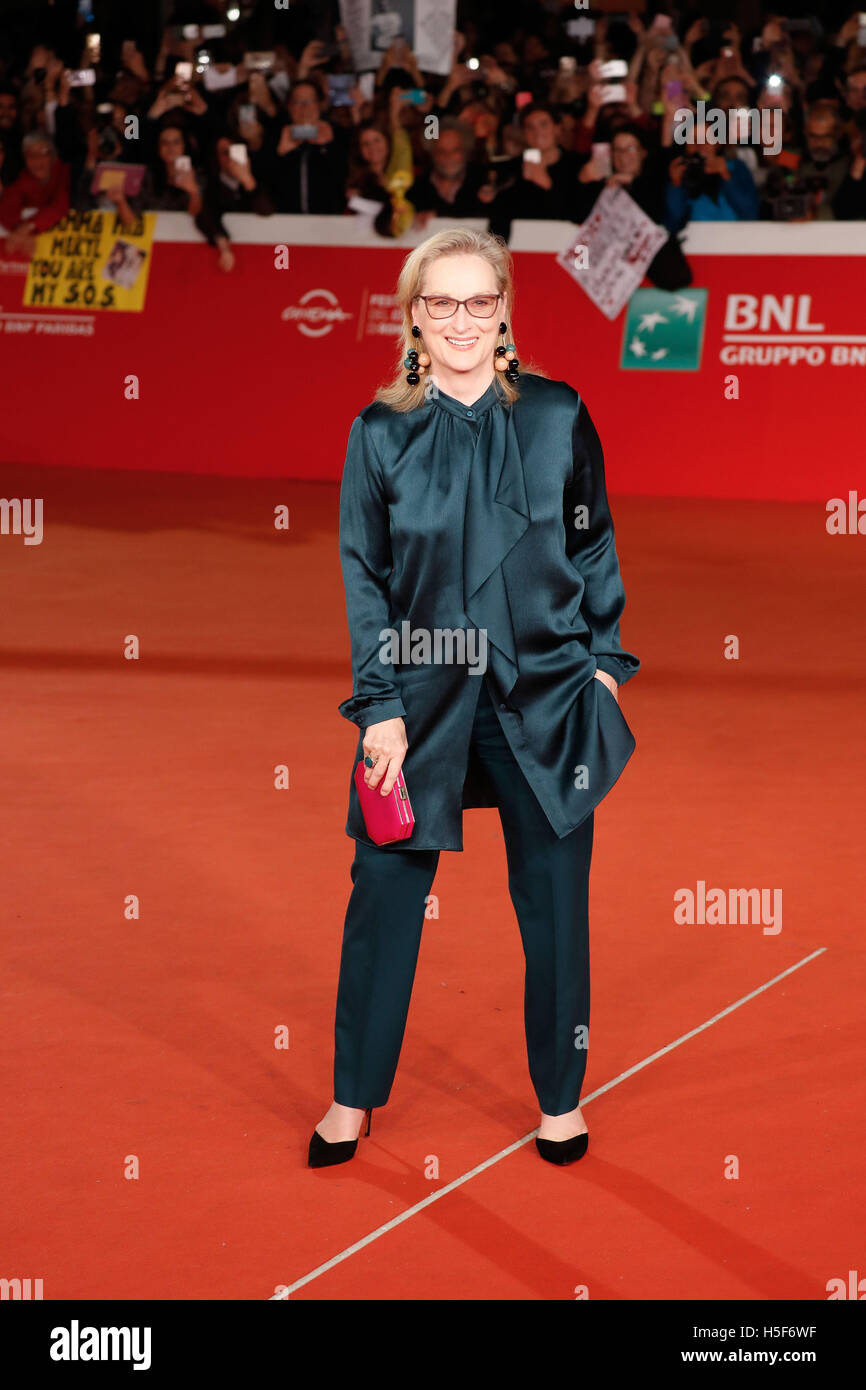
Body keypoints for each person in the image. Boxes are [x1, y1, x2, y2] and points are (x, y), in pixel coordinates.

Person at [310, 227, 640, 1170]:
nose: (461, 320)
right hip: (415, 699)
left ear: (504, 313)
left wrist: (606, 668)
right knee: (381, 896)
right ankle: (351, 1096)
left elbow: (593, 544)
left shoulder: (556, 415)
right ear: (414, 317)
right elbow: (364, 576)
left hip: (545, 692)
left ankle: (561, 1100)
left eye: (479, 301)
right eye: (441, 303)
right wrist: (377, 705)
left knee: (556, 902)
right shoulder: (378, 434)